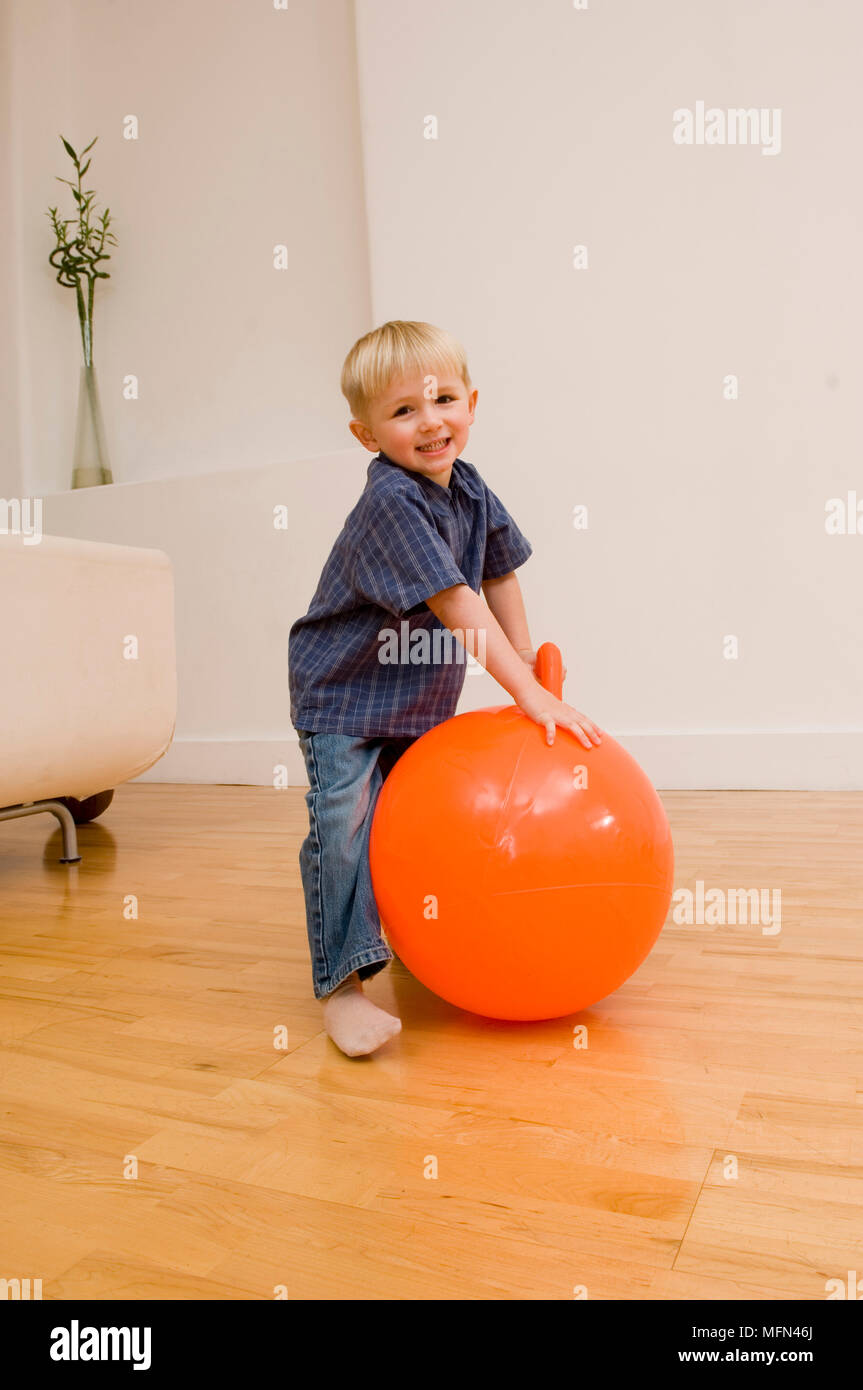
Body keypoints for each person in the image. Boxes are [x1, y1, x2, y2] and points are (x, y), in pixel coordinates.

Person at [288, 320, 602, 1056]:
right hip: (342, 696)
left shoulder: (467, 486)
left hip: (411, 700)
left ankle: (414, 943)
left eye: (443, 400)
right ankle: (342, 984)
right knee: (344, 827)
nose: (429, 421)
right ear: (366, 434)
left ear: (471, 403)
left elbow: (498, 573)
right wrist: (526, 691)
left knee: (410, 828)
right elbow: (458, 603)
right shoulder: (391, 503)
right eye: (402, 411)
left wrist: (528, 663)